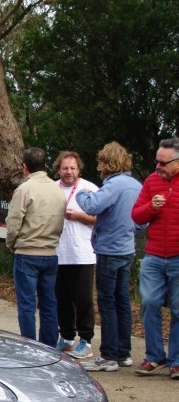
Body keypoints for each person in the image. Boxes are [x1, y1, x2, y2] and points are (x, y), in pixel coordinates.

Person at [74, 142, 143, 372]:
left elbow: (92, 206)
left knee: (107, 303)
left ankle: (108, 355)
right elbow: (142, 220)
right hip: (127, 249)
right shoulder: (136, 185)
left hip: (109, 251)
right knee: (122, 301)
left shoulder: (113, 185)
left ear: (107, 163)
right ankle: (124, 353)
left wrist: (82, 192)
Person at [5, 147, 65, 347]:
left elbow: (14, 223)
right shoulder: (57, 189)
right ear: (45, 166)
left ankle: (30, 346)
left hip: (27, 252)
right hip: (50, 252)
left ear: (25, 167)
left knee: (27, 305)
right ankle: (49, 346)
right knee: (49, 303)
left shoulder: (24, 190)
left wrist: (11, 243)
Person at [130, 137, 179, 379]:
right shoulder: (151, 181)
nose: (158, 166)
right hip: (154, 255)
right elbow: (136, 215)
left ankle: (176, 361)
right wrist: (151, 206)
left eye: (163, 162)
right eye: (157, 161)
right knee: (149, 303)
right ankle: (155, 356)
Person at [53, 151, 97, 360]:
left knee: (83, 299)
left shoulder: (89, 189)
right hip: (57, 252)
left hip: (81, 253)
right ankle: (67, 337)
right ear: (58, 170)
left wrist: (79, 216)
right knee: (61, 298)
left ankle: (86, 341)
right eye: (65, 168)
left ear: (79, 169)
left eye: (72, 168)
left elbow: (100, 219)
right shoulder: (52, 188)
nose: (68, 172)